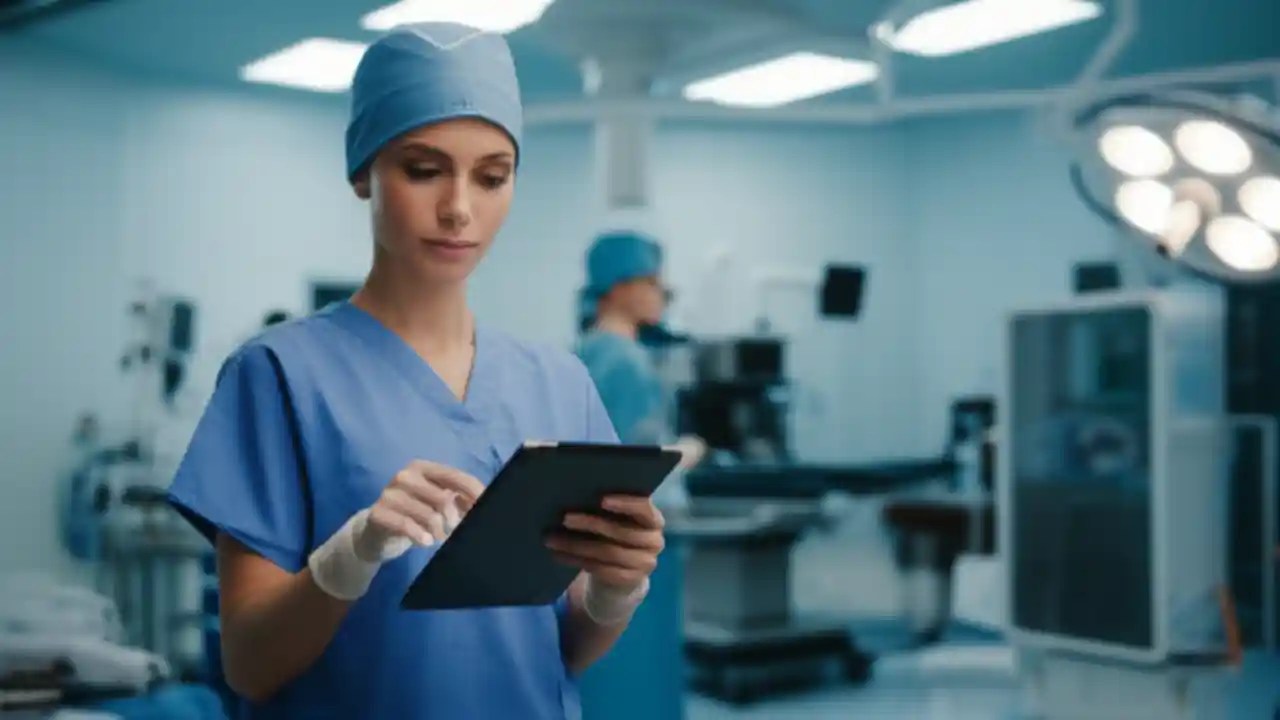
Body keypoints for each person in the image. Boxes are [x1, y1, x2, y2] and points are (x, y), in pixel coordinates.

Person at [167, 22, 664, 719]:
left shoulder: (560, 384)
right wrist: (351, 557)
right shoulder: (278, 375)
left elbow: (558, 652)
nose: (461, 208)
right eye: (424, 169)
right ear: (363, 173)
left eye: (492, 176)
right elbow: (250, 667)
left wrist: (615, 591)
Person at [574, 231, 705, 720]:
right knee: (640, 680)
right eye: (650, 280)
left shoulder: (584, 352)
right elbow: (634, 464)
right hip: (635, 543)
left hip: (586, 550)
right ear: (617, 286)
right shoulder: (627, 361)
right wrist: (685, 452)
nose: (660, 292)